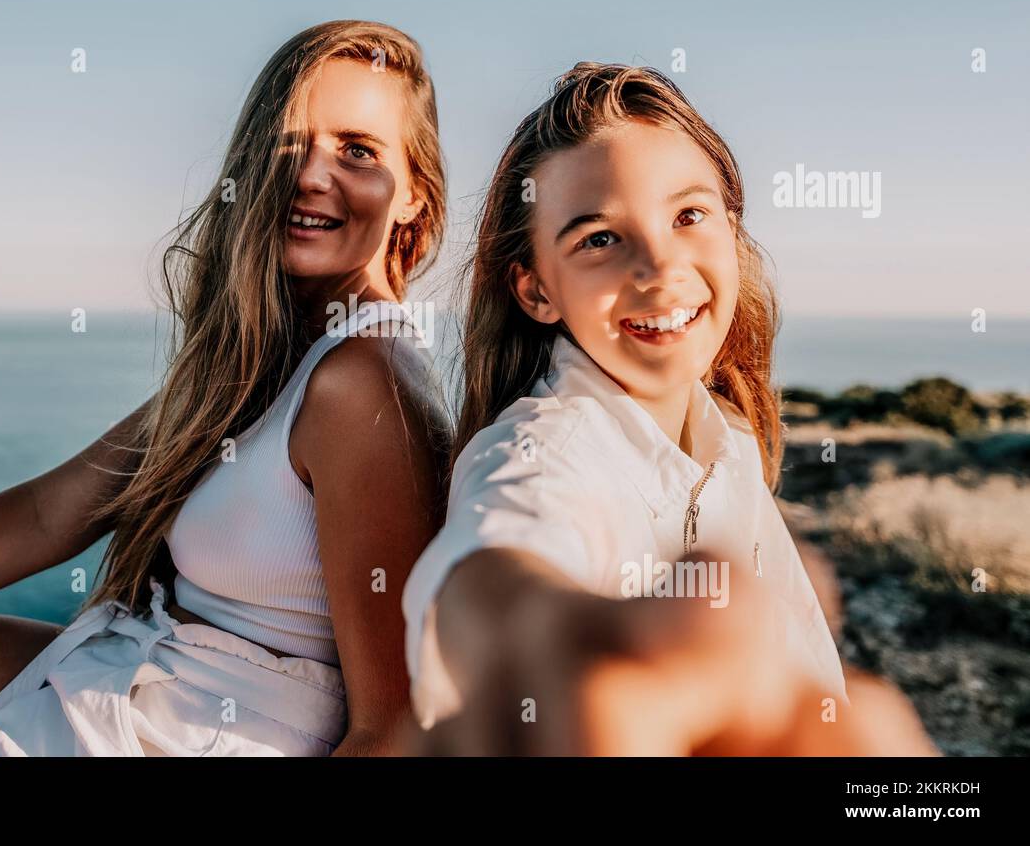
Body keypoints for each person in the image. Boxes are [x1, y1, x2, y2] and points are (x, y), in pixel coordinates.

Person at [0, 20, 451, 757]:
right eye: (288, 145)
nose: (309, 174)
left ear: (414, 197)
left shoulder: (363, 382)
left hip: (195, 728)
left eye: (357, 151)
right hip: (129, 671)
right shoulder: (269, 356)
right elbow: (50, 514)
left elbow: (393, 726)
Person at [399, 63, 935, 755]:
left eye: (688, 216)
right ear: (536, 291)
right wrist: (540, 633)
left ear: (731, 232)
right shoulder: (540, 447)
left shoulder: (728, 436)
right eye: (597, 238)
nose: (658, 265)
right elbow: (492, 560)